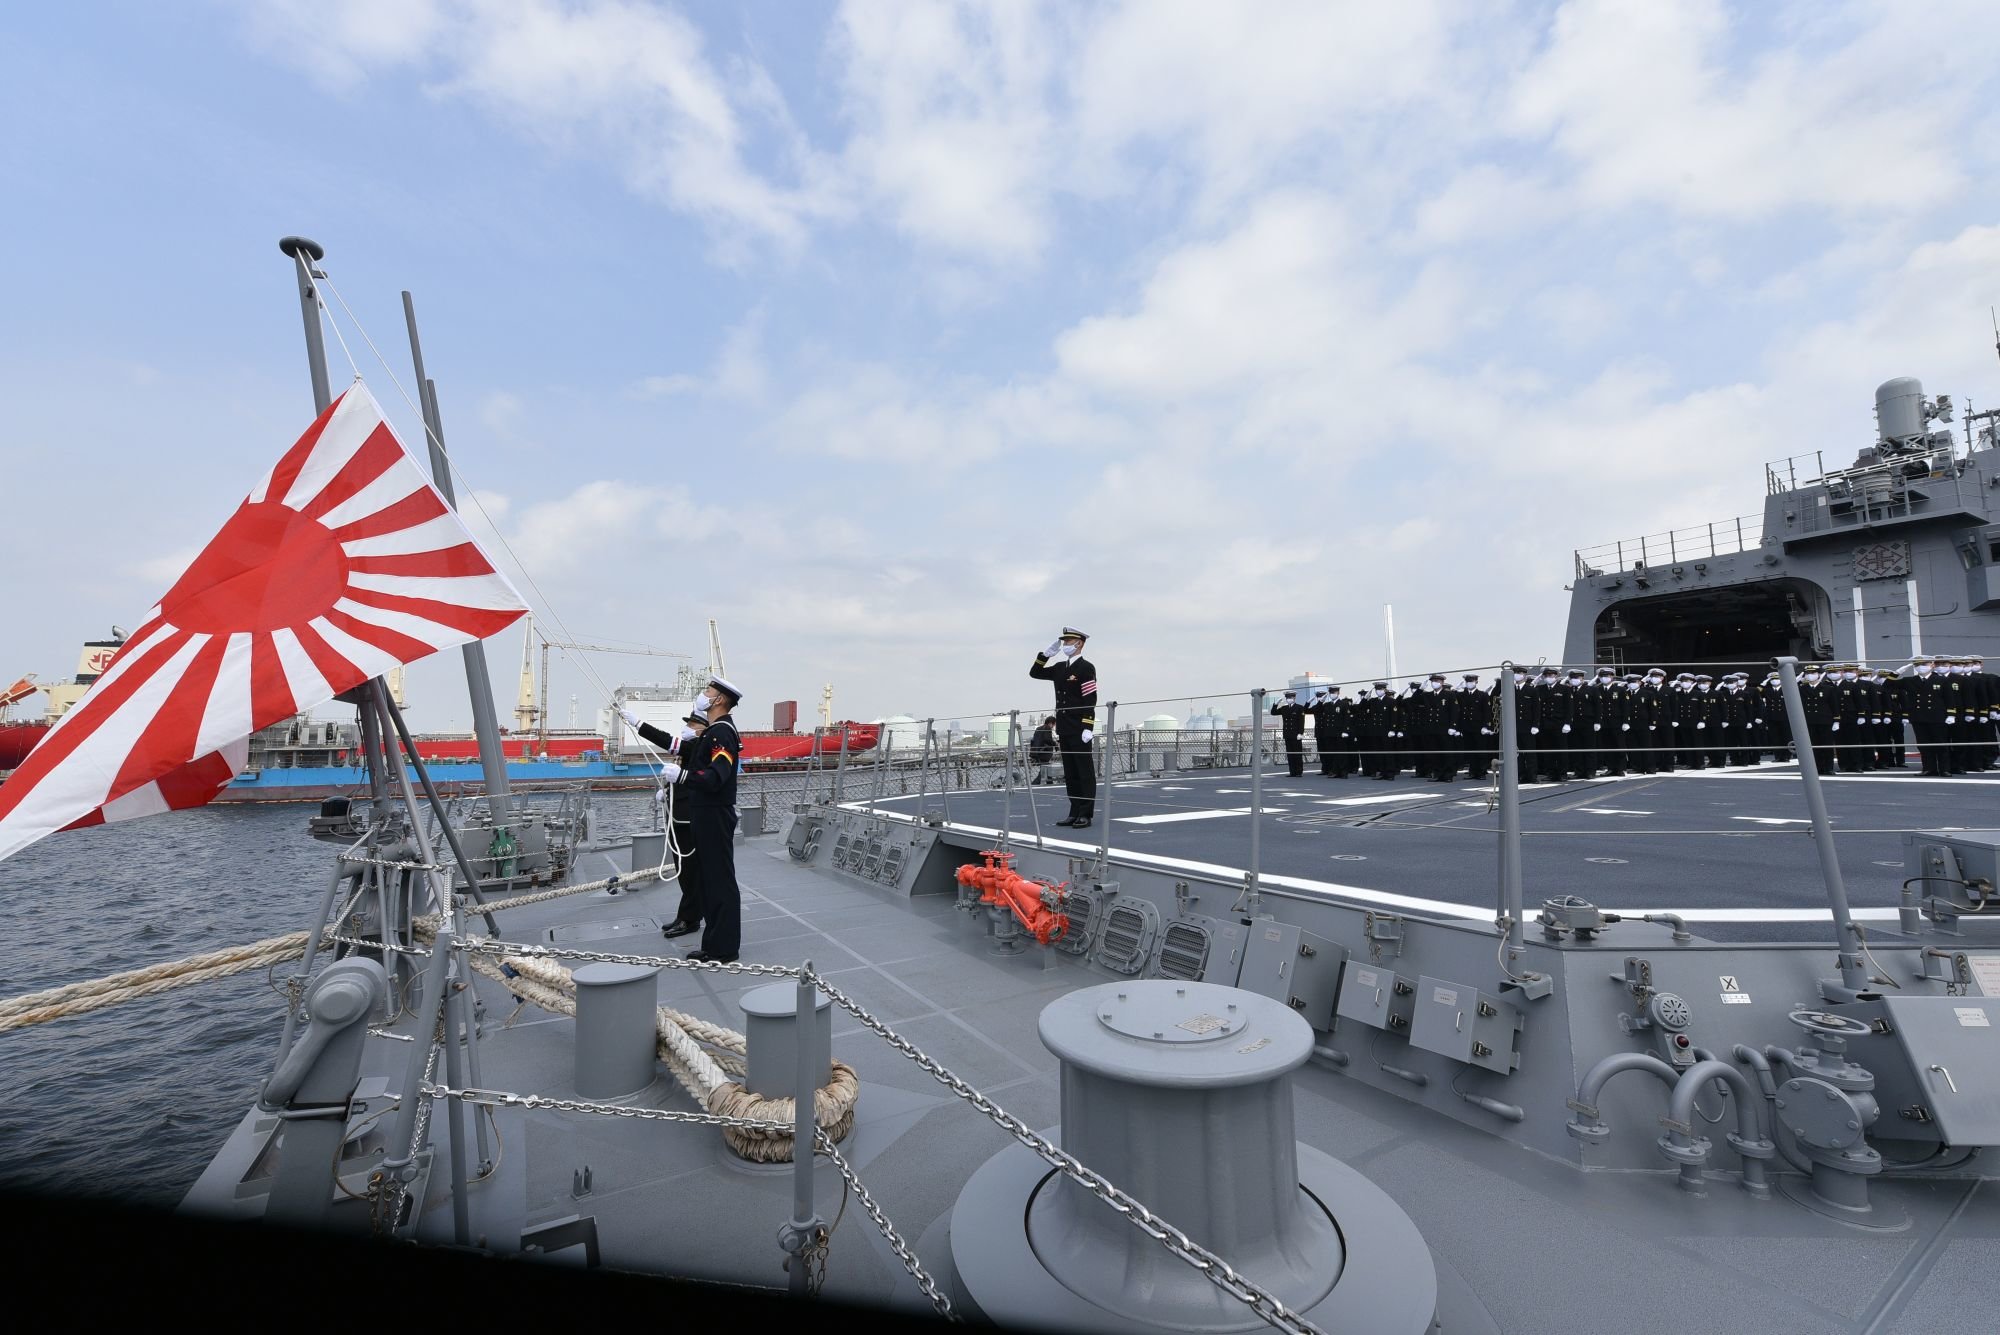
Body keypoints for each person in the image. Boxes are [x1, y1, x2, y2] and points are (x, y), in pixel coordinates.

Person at [625, 676, 745, 962]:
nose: (703, 696)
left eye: (707, 692)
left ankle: (723, 948)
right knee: (709, 881)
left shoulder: (721, 733)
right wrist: (638, 724)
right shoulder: (712, 733)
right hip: (704, 814)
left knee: (719, 882)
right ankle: (714, 943)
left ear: (718, 700)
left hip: (714, 813)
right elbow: (674, 744)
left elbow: (717, 776)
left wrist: (683, 776)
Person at [1030, 628, 1098, 827]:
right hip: (1064, 728)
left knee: (1084, 772)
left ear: (1080, 643)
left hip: (1080, 728)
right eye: (1064, 641)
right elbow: (1035, 673)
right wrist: (1045, 656)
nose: (1066, 644)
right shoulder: (1060, 668)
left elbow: (1090, 699)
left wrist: (1088, 726)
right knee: (1070, 772)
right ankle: (1074, 811)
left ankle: (1086, 813)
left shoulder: (1086, 668)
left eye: (1069, 641)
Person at [1272, 689, 1308, 778]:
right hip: (1287, 734)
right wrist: (1275, 704)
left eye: (1291, 697)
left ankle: (1299, 771)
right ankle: (1292, 772)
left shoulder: (1299, 707)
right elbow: (1273, 712)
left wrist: (1300, 733)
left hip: (1296, 735)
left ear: (1294, 697)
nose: (1289, 699)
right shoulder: (1284, 708)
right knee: (1290, 754)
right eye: (1287, 697)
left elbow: (1301, 721)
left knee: (1297, 754)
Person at [1028, 716, 1058, 784]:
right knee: (1043, 772)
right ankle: (1032, 786)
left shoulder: (1038, 728)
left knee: (1046, 770)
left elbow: (1034, 740)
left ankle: (1050, 784)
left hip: (1037, 752)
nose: (1053, 727)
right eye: (1053, 724)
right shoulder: (1047, 728)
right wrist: (1055, 743)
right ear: (1051, 723)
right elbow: (1047, 739)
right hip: (1044, 753)